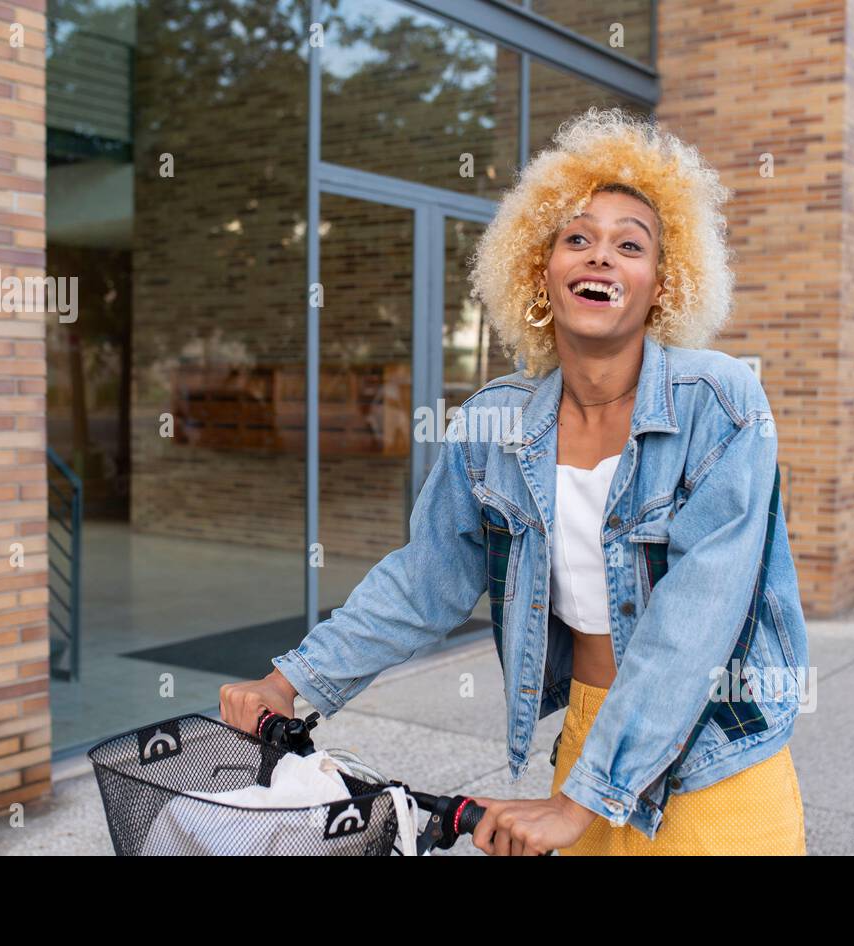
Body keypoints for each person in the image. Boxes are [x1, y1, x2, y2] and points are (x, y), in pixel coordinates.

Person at [220, 106, 808, 856]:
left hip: (716, 746)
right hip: (591, 725)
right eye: (577, 238)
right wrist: (291, 680)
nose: (601, 257)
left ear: (663, 282)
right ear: (542, 269)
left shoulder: (721, 403)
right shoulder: (492, 424)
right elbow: (423, 580)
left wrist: (578, 800)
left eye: (631, 245)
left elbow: (697, 621)